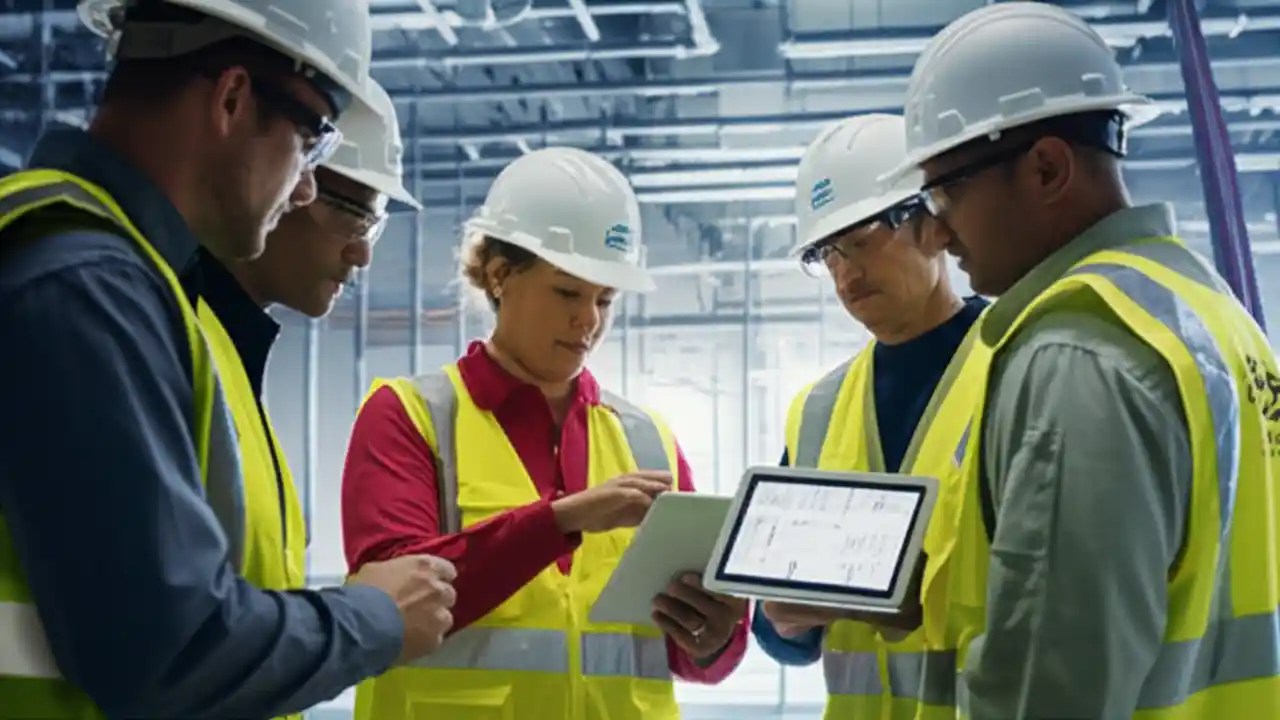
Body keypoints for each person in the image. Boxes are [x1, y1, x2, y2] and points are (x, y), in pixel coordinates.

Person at [0, 1, 454, 717]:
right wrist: (374, 616)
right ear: (232, 99)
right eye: (310, 139)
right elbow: (172, 649)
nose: (305, 184)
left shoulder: (111, 281)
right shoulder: (84, 286)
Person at [877, 2, 1280, 717]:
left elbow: (1050, 690)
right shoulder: (1210, 314)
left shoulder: (1077, 356)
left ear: (1048, 168)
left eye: (947, 192)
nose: (935, 233)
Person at [341, 146, 751, 719]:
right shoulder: (407, 417)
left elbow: (690, 657)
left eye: (605, 300)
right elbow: (390, 608)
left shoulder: (648, 438)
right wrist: (562, 520)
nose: (589, 321)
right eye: (567, 292)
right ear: (500, 274)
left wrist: (716, 638)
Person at [192, 75, 428, 716]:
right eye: (352, 213)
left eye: (373, 226)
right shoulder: (176, 340)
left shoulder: (229, 362)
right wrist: (370, 617)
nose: (361, 253)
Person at [747, 113, 989, 719]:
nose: (846, 274)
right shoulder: (818, 411)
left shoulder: (1018, 367)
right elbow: (777, 632)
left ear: (932, 224)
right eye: (827, 255)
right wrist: (788, 623)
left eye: (861, 241)